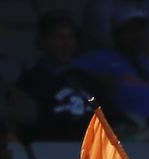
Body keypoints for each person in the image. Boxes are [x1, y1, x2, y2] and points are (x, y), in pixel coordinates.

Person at [72, 6, 149, 142]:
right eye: (130, 31)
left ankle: (132, 142)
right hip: (127, 122)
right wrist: (96, 80)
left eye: (141, 30)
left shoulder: (147, 64)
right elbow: (69, 70)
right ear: (116, 34)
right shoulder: (102, 58)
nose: (137, 36)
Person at [17, 11, 101, 141]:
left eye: (71, 37)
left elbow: (107, 114)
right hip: (53, 151)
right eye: (58, 37)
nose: (66, 44)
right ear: (42, 42)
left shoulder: (86, 79)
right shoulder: (30, 81)